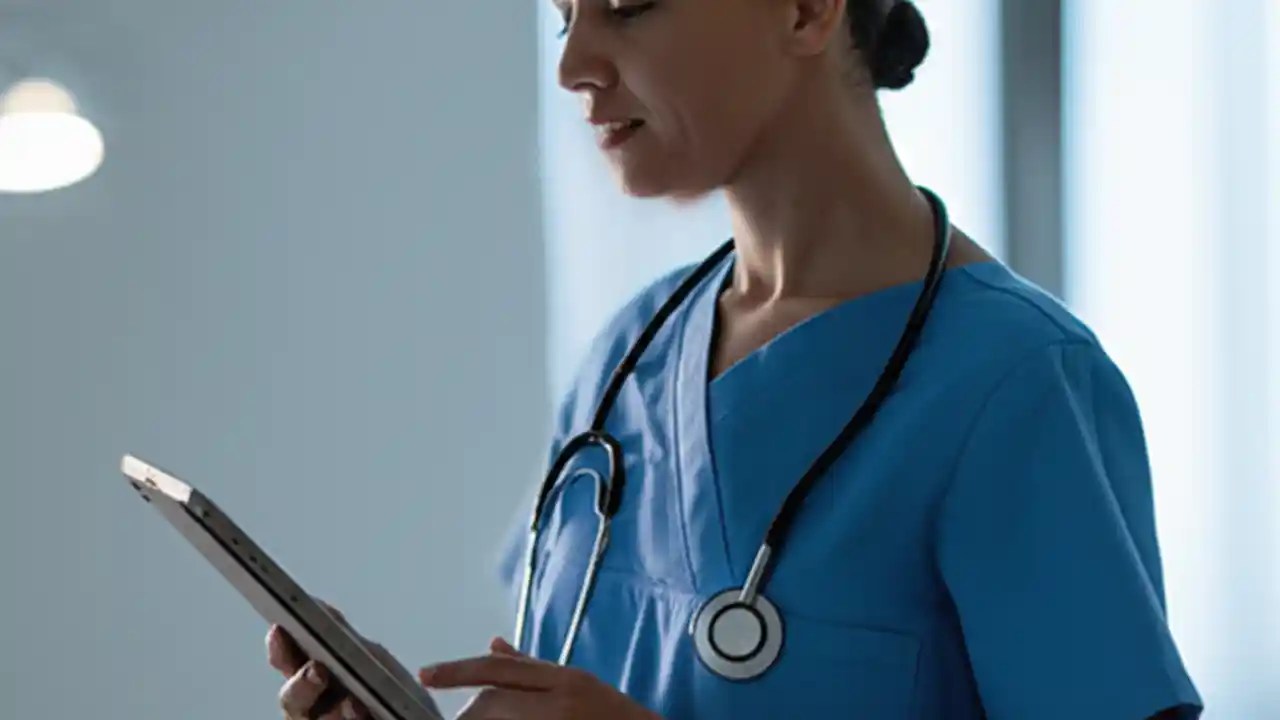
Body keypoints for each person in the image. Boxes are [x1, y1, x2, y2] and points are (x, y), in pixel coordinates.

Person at [268, 0, 1205, 718]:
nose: (572, 64)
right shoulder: (627, 359)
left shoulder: (1014, 384)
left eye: (629, 6)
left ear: (805, 8)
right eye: (562, 16)